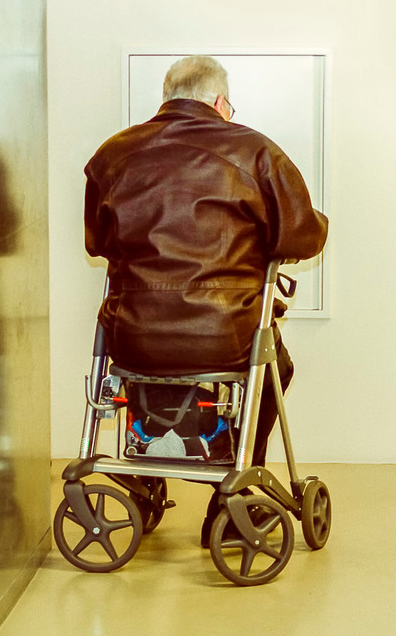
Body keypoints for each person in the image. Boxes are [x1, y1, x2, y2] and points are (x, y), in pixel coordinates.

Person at [83, 55, 328, 543]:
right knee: (275, 367)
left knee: (152, 365)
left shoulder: (112, 155)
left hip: (131, 337)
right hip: (224, 336)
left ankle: (144, 478)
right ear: (220, 102)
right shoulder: (256, 152)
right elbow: (302, 239)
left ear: (166, 98)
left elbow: (99, 244)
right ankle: (230, 497)